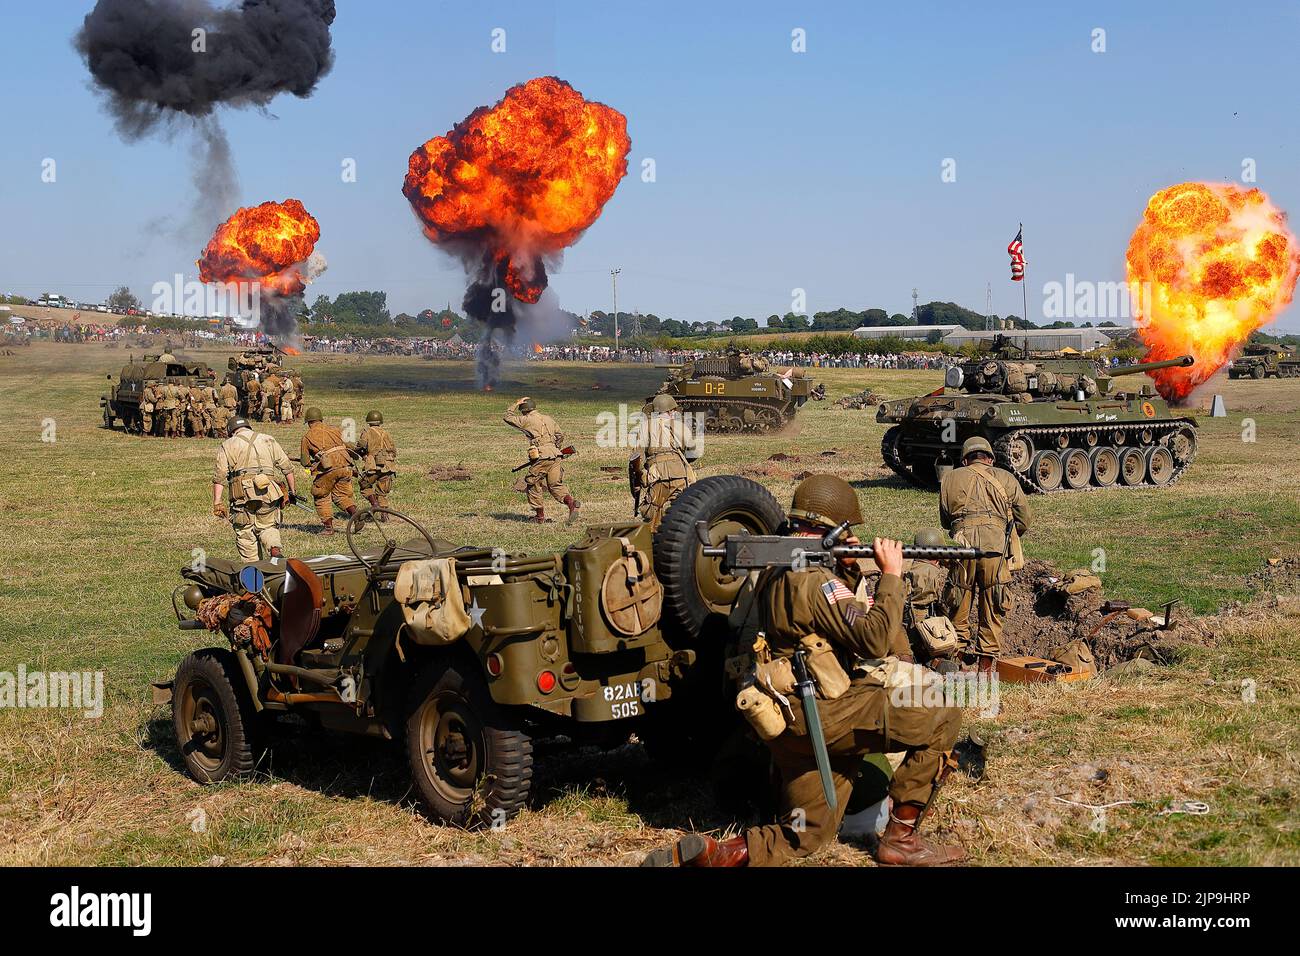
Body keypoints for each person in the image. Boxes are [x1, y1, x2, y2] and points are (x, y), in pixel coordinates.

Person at [644, 475, 965, 867]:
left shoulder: (777, 569)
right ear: (831, 528)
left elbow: (818, 626)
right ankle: (901, 838)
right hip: (829, 713)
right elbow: (875, 638)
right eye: (848, 532)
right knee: (941, 713)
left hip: (791, 720)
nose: (852, 540)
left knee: (806, 835)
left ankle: (719, 855)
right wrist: (893, 577)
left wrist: (847, 569)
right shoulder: (817, 583)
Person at [939, 437, 1030, 670]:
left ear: (965, 459)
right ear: (990, 458)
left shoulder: (949, 478)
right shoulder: (1006, 477)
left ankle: (955, 660)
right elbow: (1024, 519)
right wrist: (1004, 532)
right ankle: (986, 665)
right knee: (993, 601)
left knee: (958, 600)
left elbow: (944, 519)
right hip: (995, 548)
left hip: (963, 546)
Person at [212, 416, 297, 561]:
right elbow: (287, 468)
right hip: (269, 493)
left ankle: (254, 573)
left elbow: (220, 477)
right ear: (248, 427)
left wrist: (217, 502)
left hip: (242, 496)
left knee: (245, 534)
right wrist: (292, 491)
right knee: (268, 527)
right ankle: (275, 550)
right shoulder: (268, 439)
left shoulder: (227, 444)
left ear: (231, 431)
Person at [503, 397, 579, 523]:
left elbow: (507, 417)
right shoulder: (548, 418)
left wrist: (515, 404)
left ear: (523, 410)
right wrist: (555, 449)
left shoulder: (526, 419)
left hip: (542, 456)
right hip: (556, 455)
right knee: (555, 485)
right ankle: (571, 503)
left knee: (532, 483)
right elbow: (560, 435)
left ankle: (539, 517)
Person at [629, 393, 698, 530]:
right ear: (671, 410)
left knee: (651, 514)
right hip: (679, 474)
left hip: (656, 476)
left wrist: (637, 480)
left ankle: (653, 542)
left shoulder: (645, 426)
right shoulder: (679, 425)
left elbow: (636, 456)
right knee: (684, 513)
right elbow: (693, 450)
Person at [299, 407, 357, 534]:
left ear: (309, 422)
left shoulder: (307, 437)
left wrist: (312, 463)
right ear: (320, 419)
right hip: (346, 466)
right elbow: (350, 447)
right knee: (341, 495)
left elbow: (304, 462)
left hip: (329, 469)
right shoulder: (336, 429)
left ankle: (328, 528)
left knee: (320, 494)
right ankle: (356, 515)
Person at [354, 409, 397, 517]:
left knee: (364, 485)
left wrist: (361, 453)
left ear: (368, 421)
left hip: (373, 467)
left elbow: (360, 446)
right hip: (388, 466)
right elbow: (393, 449)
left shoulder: (367, 432)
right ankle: (384, 515)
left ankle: (375, 504)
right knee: (382, 492)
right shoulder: (386, 433)